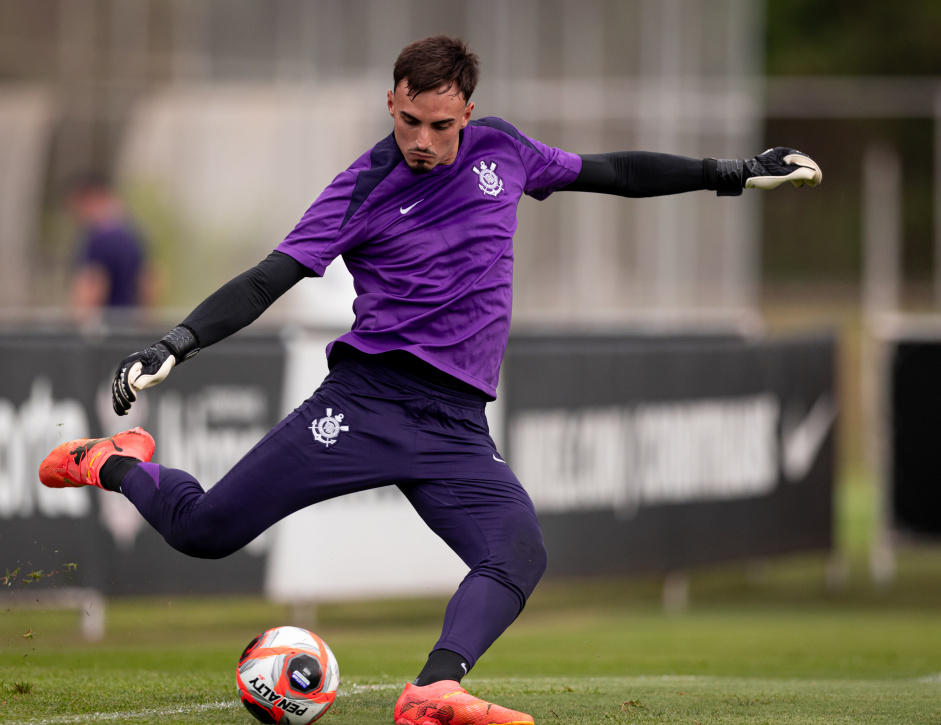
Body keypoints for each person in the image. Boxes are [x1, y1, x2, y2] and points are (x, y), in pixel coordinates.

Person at [39, 36, 821, 725]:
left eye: (439, 126)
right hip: (367, 404)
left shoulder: (503, 153)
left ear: (467, 113)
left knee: (517, 552)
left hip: (454, 428)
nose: (420, 140)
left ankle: (434, 691)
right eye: (407, 120)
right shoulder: (361, 186)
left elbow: (611, 171)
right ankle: (116, 462)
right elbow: (268, 276)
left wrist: (735, 171)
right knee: (203, 532)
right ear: (391, 102)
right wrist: (177, 341)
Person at [65, 172, 153, 319]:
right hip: (129, 324)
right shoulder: (134, 236)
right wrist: (146, 320)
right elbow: (149, 281)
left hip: (104, 329)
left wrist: (76, 322)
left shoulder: (98, 239)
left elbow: (92, 286)